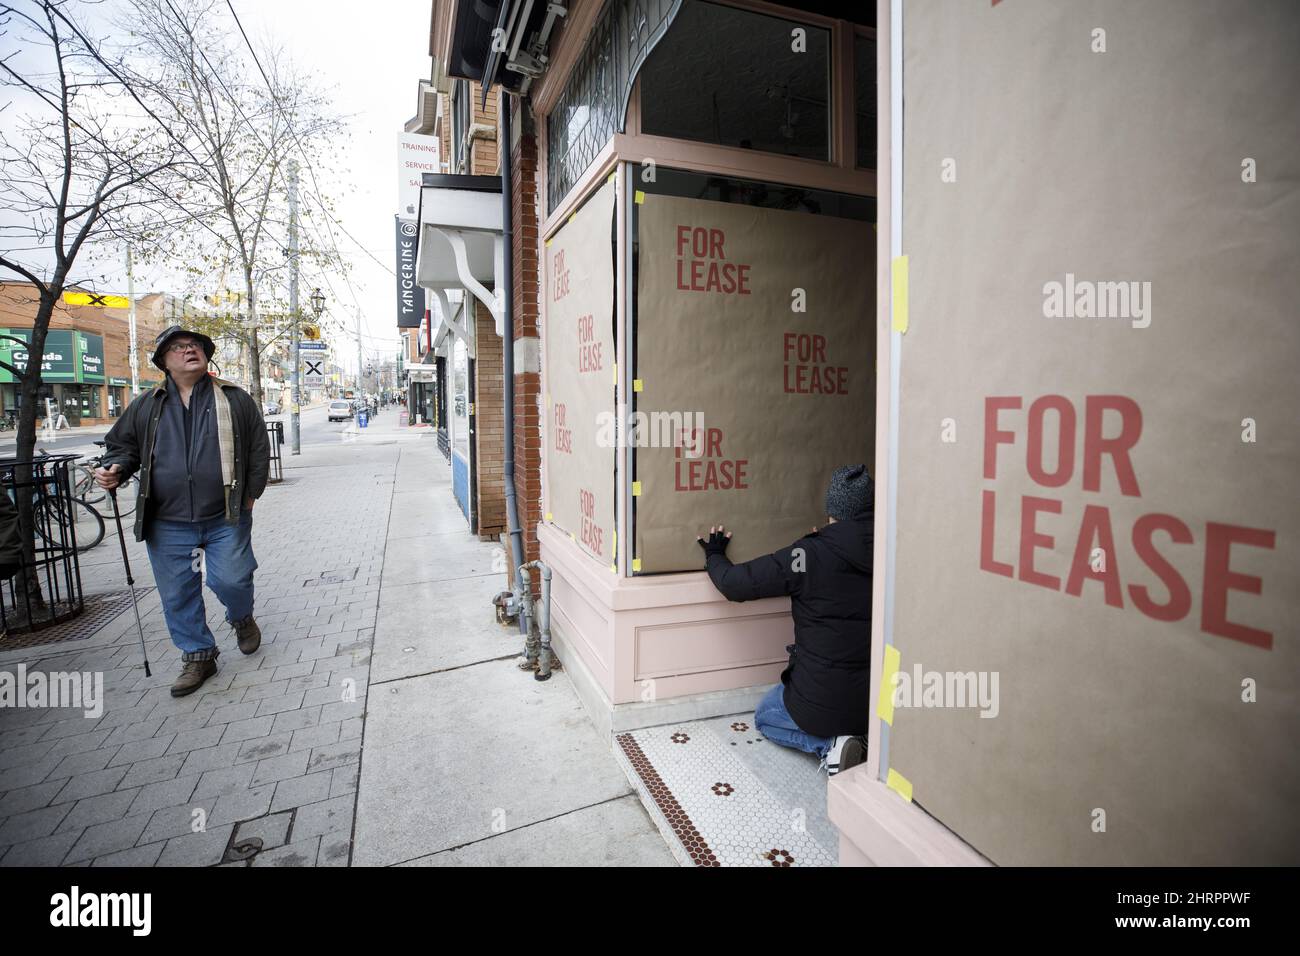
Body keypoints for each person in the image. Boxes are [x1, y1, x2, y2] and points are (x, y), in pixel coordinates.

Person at [95, 325, 270, 697]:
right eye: (178, 347)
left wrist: (252, 493)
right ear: (164, 361)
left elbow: (257, 445)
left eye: (195, 346)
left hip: (225, 515)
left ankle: (241, 617)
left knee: (232, 580)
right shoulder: (147, 403)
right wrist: (114, 469)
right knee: (178, 593)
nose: (189, 350)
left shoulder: (234, 399)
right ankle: (199, 655)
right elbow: (121, 446)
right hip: (168, 522)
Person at [697, 464, 874, 776]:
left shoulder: (809, 555)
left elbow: (735, 584)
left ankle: (830, 746)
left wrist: (714, 555)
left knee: (767, 714)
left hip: (822, 702)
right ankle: (863, 738)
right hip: (875, 705)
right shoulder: (893, 550)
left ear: (832, 509)